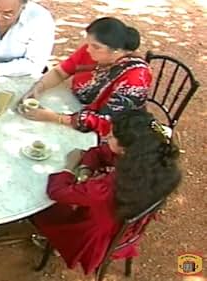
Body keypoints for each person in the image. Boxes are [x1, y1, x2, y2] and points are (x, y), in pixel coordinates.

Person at [31, 110, 182, 275]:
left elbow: (57, 192)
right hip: (124, 224)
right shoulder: (152, 161)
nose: (107, 137)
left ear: (125, 150)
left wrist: (69, 166)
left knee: (40, 207)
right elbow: (98, 153)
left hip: (94, 236)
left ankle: (59, 244)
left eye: (110, 137)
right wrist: (86, 169)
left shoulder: (107, 187)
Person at [20, 17, 152, 137]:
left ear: (116, 50)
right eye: (88, 44)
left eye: (95, 47)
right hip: (76, 108)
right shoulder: (90, 52)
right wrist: (38, 87)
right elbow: (60, 72)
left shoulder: (135, 76)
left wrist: (54, 117)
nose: (88, 50)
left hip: (112, 135)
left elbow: (107, 123)